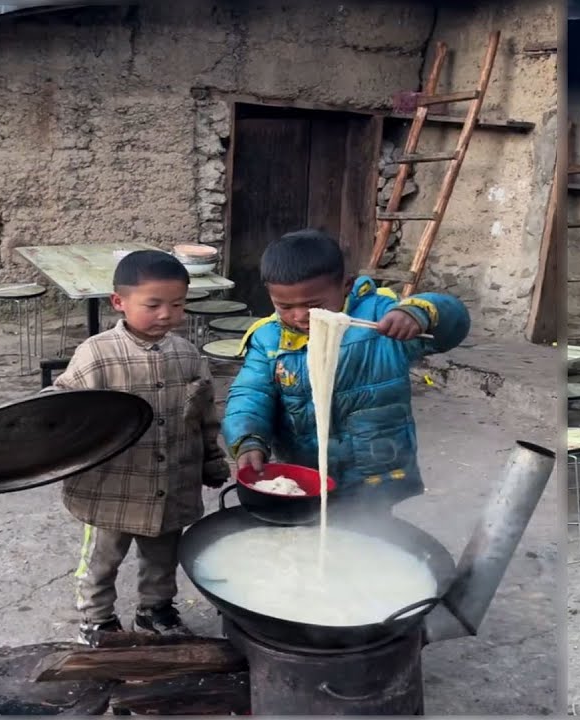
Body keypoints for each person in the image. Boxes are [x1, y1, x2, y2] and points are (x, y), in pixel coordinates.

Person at [47, 250, 229, 644]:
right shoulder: (96, 353)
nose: (167, 314)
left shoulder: (188, 355)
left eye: (178, 304)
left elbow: (204, 416)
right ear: (119, 302)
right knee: (102, 559)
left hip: (172, 483)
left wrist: (212, 462)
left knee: (162, 558)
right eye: (154, 304)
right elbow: (60, 408)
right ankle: (97, 620)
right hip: (112, 488)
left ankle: (155, 611)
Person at [222, 229, 470, 510]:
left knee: (368, 537)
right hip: (306, 473)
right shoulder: (269, 339)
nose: (301, 316)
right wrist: (248, 439)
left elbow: (453, 327)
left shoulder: (381, 320)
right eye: (285, 306)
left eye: (314, 305)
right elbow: (251, 394)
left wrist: (421, 313)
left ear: (346, 285)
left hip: (375, 472)